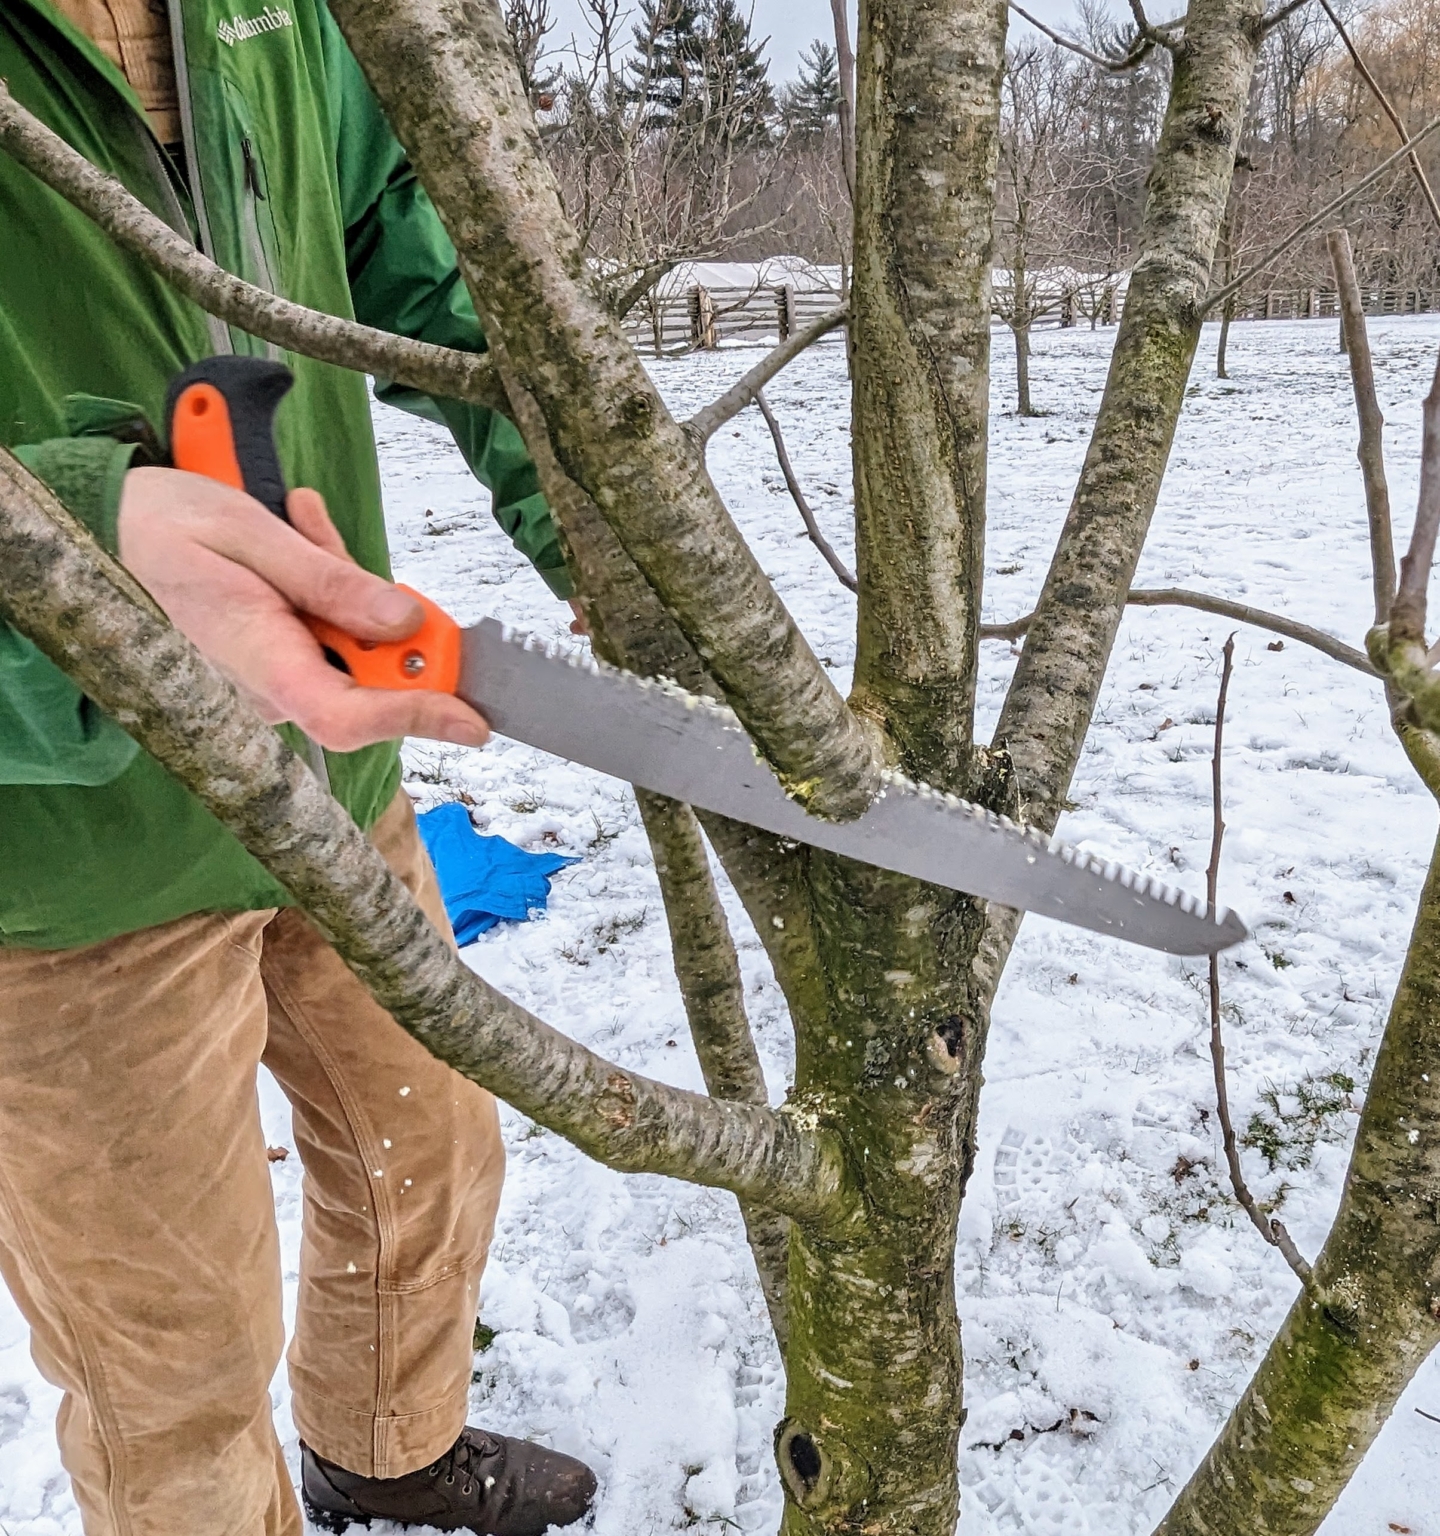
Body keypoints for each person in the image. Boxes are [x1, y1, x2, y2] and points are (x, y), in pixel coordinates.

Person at [0, 2, 599, 1532]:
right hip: (71, 873)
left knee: (429, 1153)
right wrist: (83, 543)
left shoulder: (282, 15)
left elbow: (424, 258)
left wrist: (598, 527)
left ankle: (384, 1455)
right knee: (174, 1369)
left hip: (332, 791)